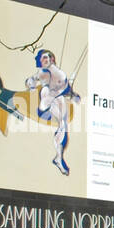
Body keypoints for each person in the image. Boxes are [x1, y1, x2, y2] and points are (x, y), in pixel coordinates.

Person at [26, 49, 80, 177]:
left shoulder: (59, 73)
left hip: (58, 98)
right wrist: (31, 84)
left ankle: (58, 158)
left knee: (63, 125)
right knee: (46, 91)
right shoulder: (43, 72)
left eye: (49, 57)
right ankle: (43, 108)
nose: (48, 59)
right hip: (47, 98)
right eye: (44, 58)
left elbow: (64, 87)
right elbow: (32, 80)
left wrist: (73, 95)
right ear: (40, 61)